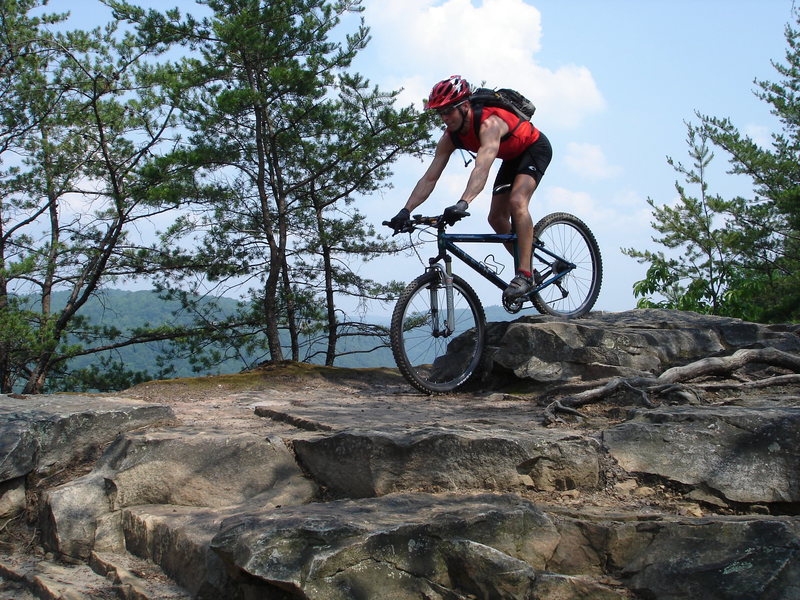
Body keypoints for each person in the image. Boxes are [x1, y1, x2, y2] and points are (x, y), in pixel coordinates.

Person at [388, 75, 552, 301]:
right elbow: (429, 178)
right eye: (440, 113)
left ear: (464, 106)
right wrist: (405, 210)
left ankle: (524, 274)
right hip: (511, 157)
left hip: (534, 148)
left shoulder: (489, 124)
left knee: (517, 202)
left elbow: (482, 168)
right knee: (496, 218)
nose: (445, 118)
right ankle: (531, 269)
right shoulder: (450, 137)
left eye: (448, 111)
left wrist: (463, 203)